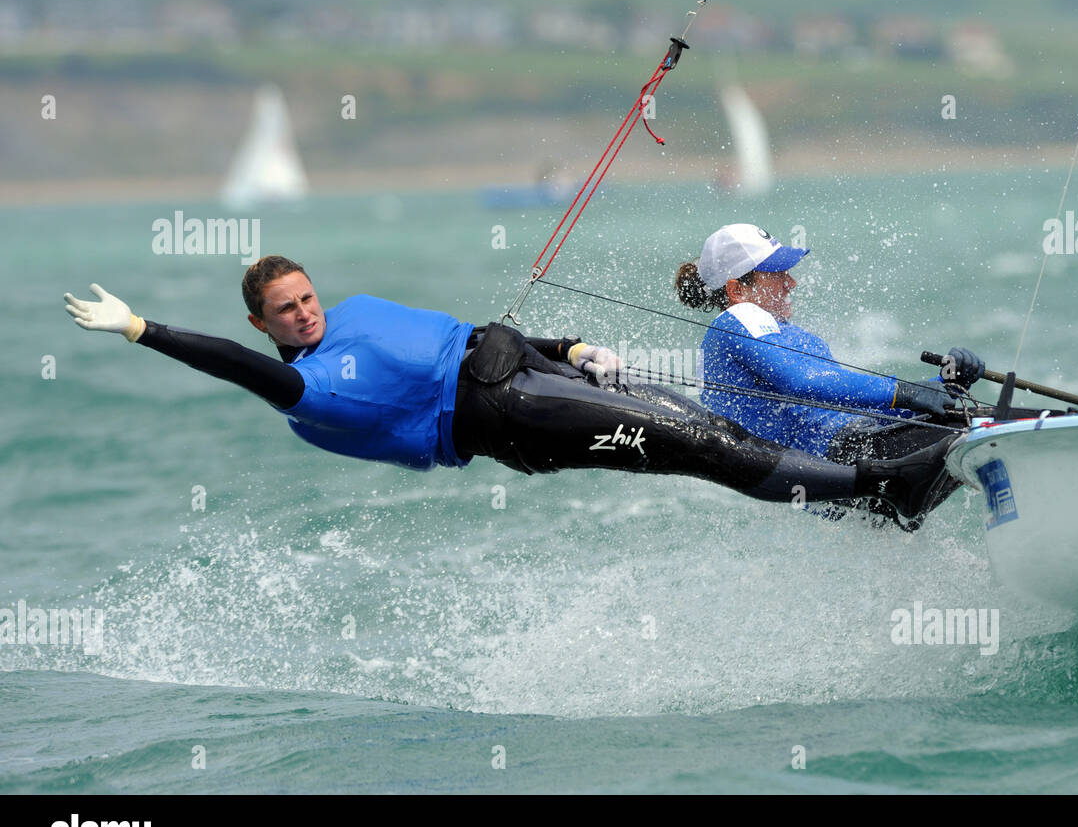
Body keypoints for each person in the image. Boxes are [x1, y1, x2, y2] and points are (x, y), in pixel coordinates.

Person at [63, 254, 954, 515]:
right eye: (283, 312)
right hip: (506, 414)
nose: (302, 315)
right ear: (263, 325)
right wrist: (146, 330)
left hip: (528, 367)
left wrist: (568, 345)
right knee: (698, 448)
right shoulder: (302, 394)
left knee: (694, 415)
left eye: (305, 298)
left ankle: (850, 473)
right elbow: (237, 364)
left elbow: (458, 335)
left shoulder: (363, 306)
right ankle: (887, 490)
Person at [675, 223, 986, 528]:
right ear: (737, 289)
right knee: (981, 429)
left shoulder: (785, 336)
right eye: (777, 274)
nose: (791, 282)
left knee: (977, 425)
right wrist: (904, 391)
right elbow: (803, 383)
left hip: (847, 470)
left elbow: (853, 406)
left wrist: (944, 386)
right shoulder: (737, 318)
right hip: (836, 467)